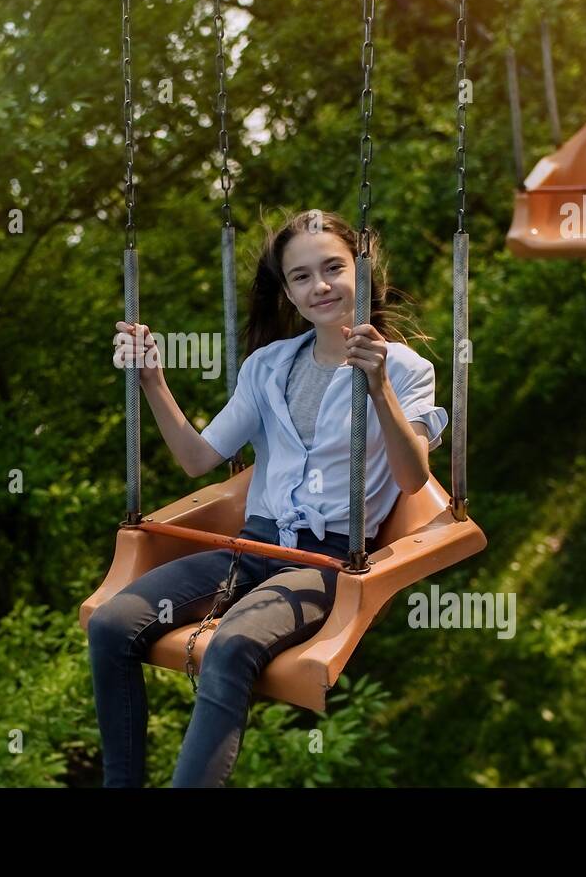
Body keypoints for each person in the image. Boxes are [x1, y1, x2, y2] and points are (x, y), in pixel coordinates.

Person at [91, 208, 450, 787]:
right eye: (302, 276)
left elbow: (412, 479)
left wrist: (378, 387)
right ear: (287, 290)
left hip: (327, 560)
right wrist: (152, 380)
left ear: (362, 269)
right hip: (251, 548)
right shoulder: (268, 366)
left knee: (231, 646)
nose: (321, 286)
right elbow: (197, 459)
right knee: (111, 624)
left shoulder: (405, 369)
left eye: (333, 267)